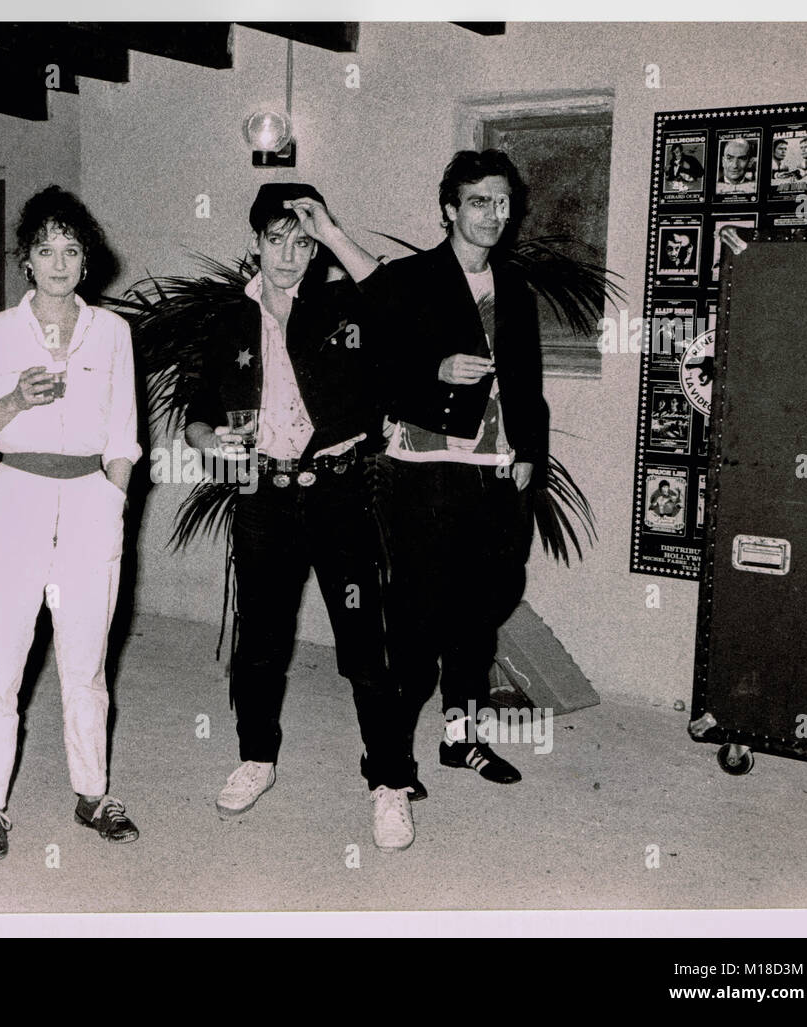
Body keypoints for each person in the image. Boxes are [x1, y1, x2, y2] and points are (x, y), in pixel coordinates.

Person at [289, 149, 549, 786]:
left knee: (476, 623)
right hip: (423, 473)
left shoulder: (514, 288)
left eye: (502, 202)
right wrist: (434, 371)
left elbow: (529, 382)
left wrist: (528, 455)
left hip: (494, 473)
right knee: (416, 622)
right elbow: (375, 371)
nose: (493, 214)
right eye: (479, 202)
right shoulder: (416, 278)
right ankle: (391, 755)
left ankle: (460, 740)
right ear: (449, 210)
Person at [183, 183, 423, 852]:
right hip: (263, 496)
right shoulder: (230, 319)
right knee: (260, 642)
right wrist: (207, 441)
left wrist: (335, 230)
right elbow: (199, 403)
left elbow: (402, 310)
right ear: (255, 243)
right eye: (276, 239)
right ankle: (257, 757)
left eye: (302, 240)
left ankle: (389, 782)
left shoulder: (343, 304)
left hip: (338, 497)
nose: (289, 254)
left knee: (363, 647)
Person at [0, 185, 141, 863]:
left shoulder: (112, 332)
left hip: (89, 498)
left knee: (86, 662)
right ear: (25, 260)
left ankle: (93, 793)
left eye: (71, 249)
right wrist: (12, 398)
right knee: (2, 660)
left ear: (87, 261)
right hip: (18, 497)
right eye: (45, 249)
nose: (58, 262)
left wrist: (111, 501)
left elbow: (124, 434)